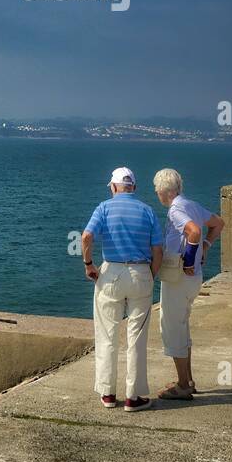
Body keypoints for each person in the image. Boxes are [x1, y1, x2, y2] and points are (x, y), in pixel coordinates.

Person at [81, 167, 162, 412]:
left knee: (107, 335)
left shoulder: (104, 208)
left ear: (114, 187)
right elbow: (157, 250)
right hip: (140, 272)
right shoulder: (148, 211)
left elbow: (86, 237)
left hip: (111, 273)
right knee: (136, 339)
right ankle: (133, 397)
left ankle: (107, 393)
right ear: (134, 188)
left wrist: (88, 265)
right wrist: (150, 274)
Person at [152, 168, 225, 401]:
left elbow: (192, 230)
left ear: (165, 191)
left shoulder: (175, 210)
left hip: (179, 278)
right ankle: (188, 380)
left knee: (172, 328)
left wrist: (189, 260)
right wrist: (206, 245)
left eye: (157, 191)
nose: (157, 195)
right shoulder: (192, 204)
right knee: (182, 327)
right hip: (194, 280)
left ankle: (183, 385)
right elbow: (218, 223)